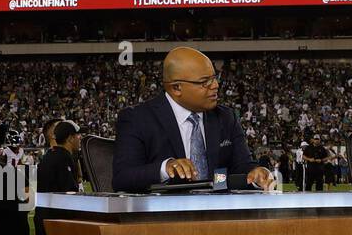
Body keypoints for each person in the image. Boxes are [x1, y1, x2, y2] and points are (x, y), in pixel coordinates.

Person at [111, 47, 274, 193]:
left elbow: (243, 167)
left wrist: (257, 173)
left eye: (214, 78)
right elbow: (122, 178)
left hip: (218, 215)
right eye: (205, 82)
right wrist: (165, 168)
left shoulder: (226, 117)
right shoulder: (137, 119)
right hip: (164, 217)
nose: (215, 85)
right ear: (176, 88)